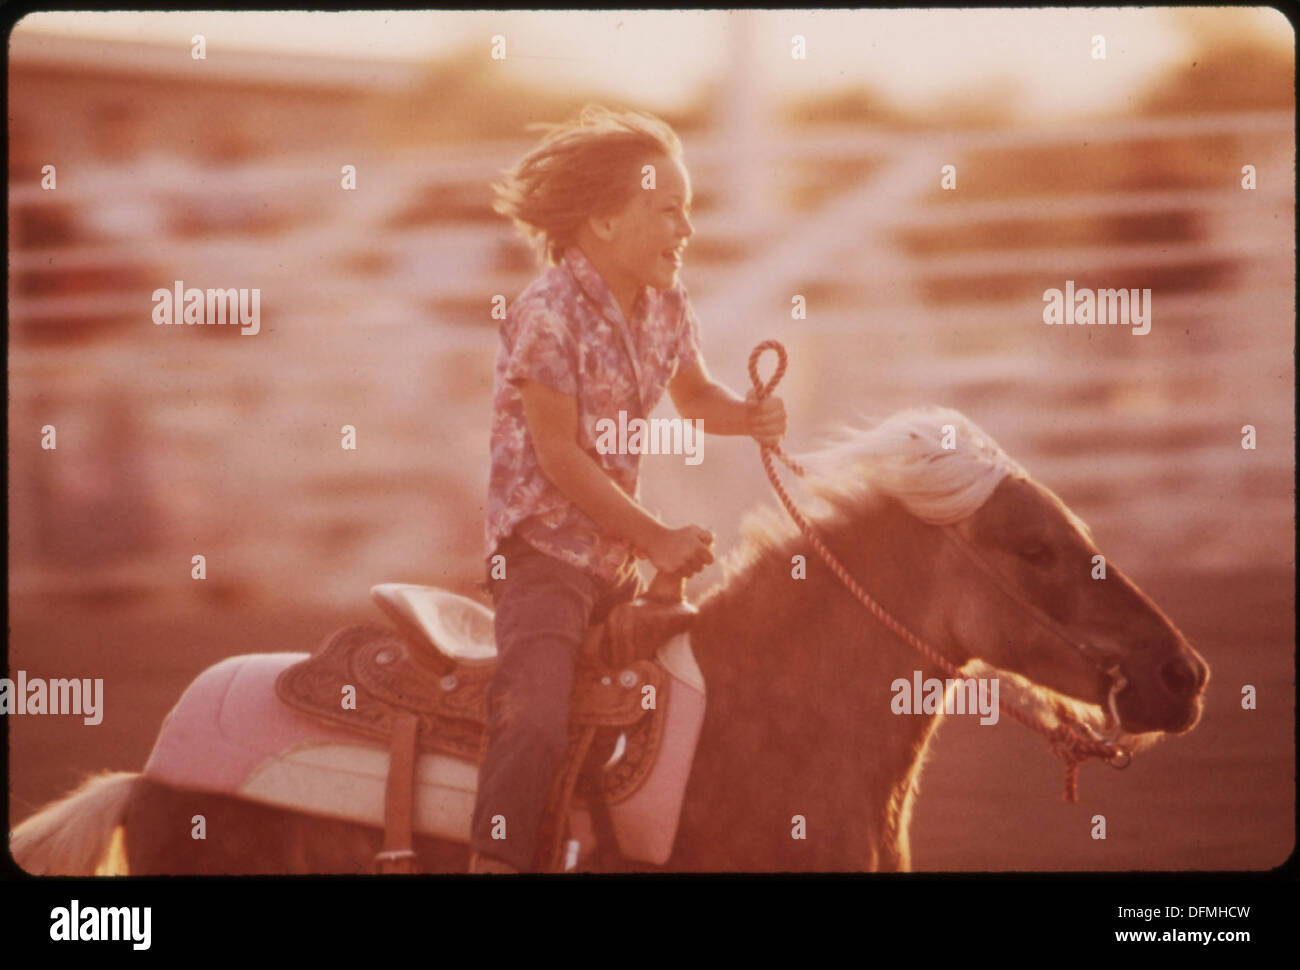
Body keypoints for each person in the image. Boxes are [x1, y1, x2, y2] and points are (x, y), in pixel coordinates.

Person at [471, 104, 787, 873]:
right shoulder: (546, 314)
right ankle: (493, 863)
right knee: (538, 720)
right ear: (605, 222)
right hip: (541, 559)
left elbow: (697, 398)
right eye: (667, 210)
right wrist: (658, 536)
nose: (686, 229)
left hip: (614, 563)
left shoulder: (668, 305)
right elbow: (560, 458)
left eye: (688, 210)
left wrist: (751, 418)